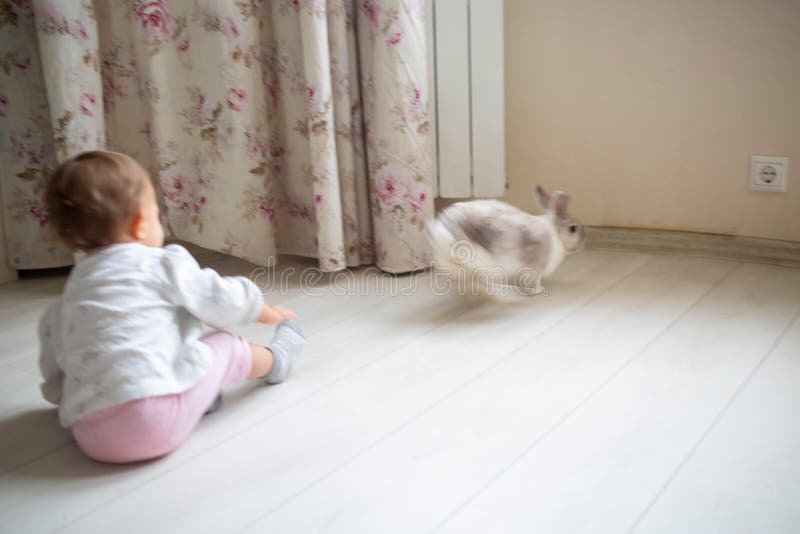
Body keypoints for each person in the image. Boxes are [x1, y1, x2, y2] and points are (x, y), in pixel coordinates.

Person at [37, 150, 305, 463]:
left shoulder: (71, 294)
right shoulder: (160, 264)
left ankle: (198, 397)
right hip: (153, 423)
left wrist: (70, 399)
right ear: (140, 223)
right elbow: (217, 297)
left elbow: (54, 370)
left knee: (167, 344)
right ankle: (276, 361)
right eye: (156, 214)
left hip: (90, 435)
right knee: (227, 345)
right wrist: (260, 309)